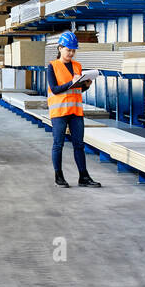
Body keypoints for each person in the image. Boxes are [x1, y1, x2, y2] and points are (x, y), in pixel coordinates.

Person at [47, 31, 102, 189]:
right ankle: (59, 176)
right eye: (68, 50)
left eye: (73, 50)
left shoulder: (77, 66)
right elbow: (56, 89)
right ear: (60, 48)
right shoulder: (52, 66)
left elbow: (76, 90)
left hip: (76, 112)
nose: (71, 53)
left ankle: (83, 177)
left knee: (79, 145)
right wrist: (71, 82)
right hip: (59, 113)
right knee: (58, 144)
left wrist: (85, 85)